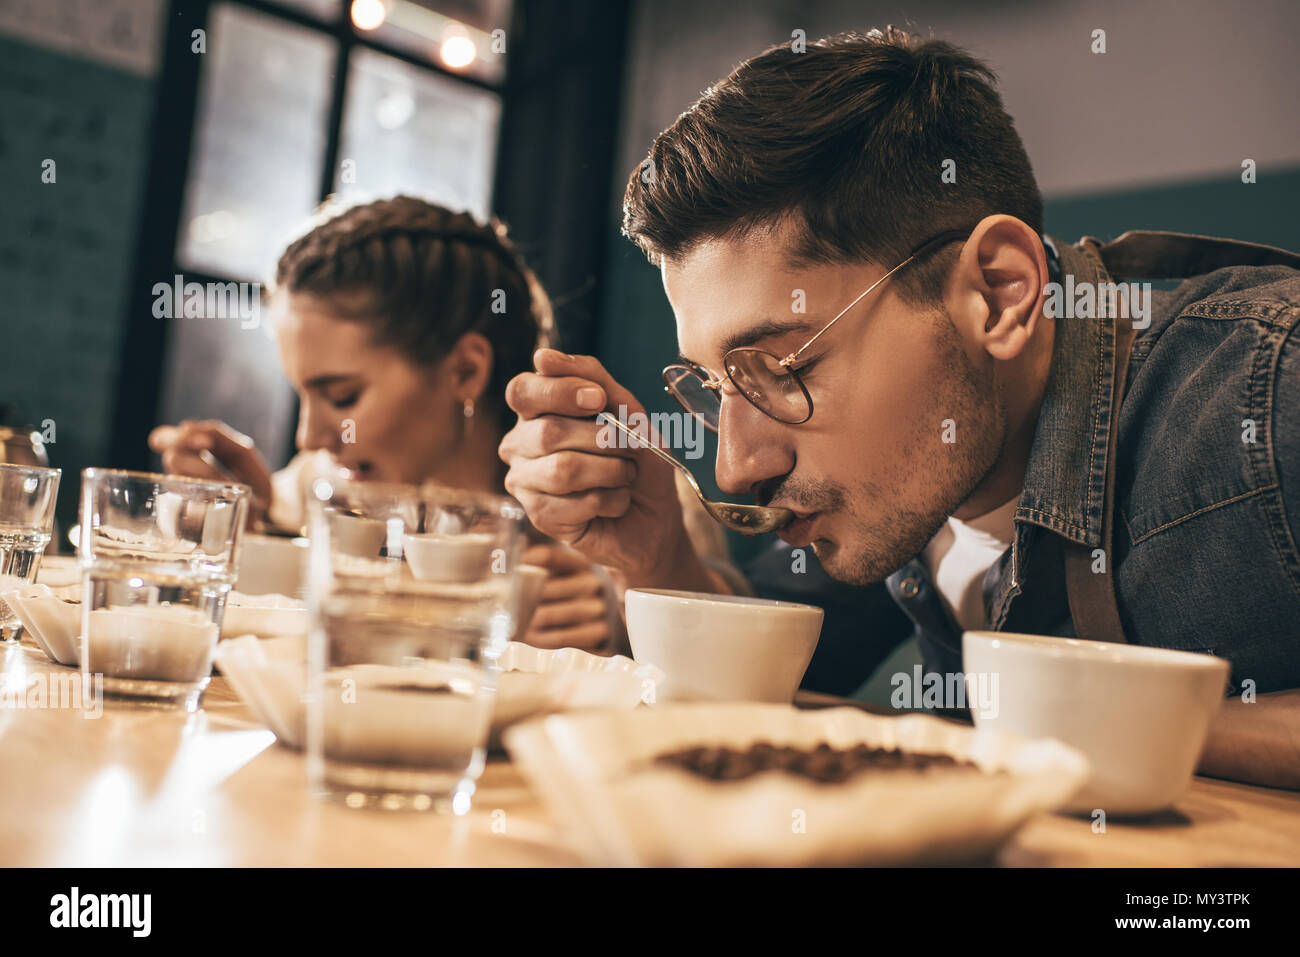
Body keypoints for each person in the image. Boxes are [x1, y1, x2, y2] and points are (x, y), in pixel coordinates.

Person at [498, 29, 1300, 787]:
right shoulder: (913, 477)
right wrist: (655, 555)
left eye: (781, 366)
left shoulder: (1268, 387)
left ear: (998, 293)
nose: (739, 466)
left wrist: (1060, 721)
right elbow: (774, 675)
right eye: (715, 386)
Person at [148, 196, 691, 650]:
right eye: (303, 394)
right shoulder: (321, 484)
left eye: (341, 396)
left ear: (464, 369)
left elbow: (737, 628)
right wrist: (247, 524)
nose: (308, 437)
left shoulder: (619, 492)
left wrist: (626, 618)